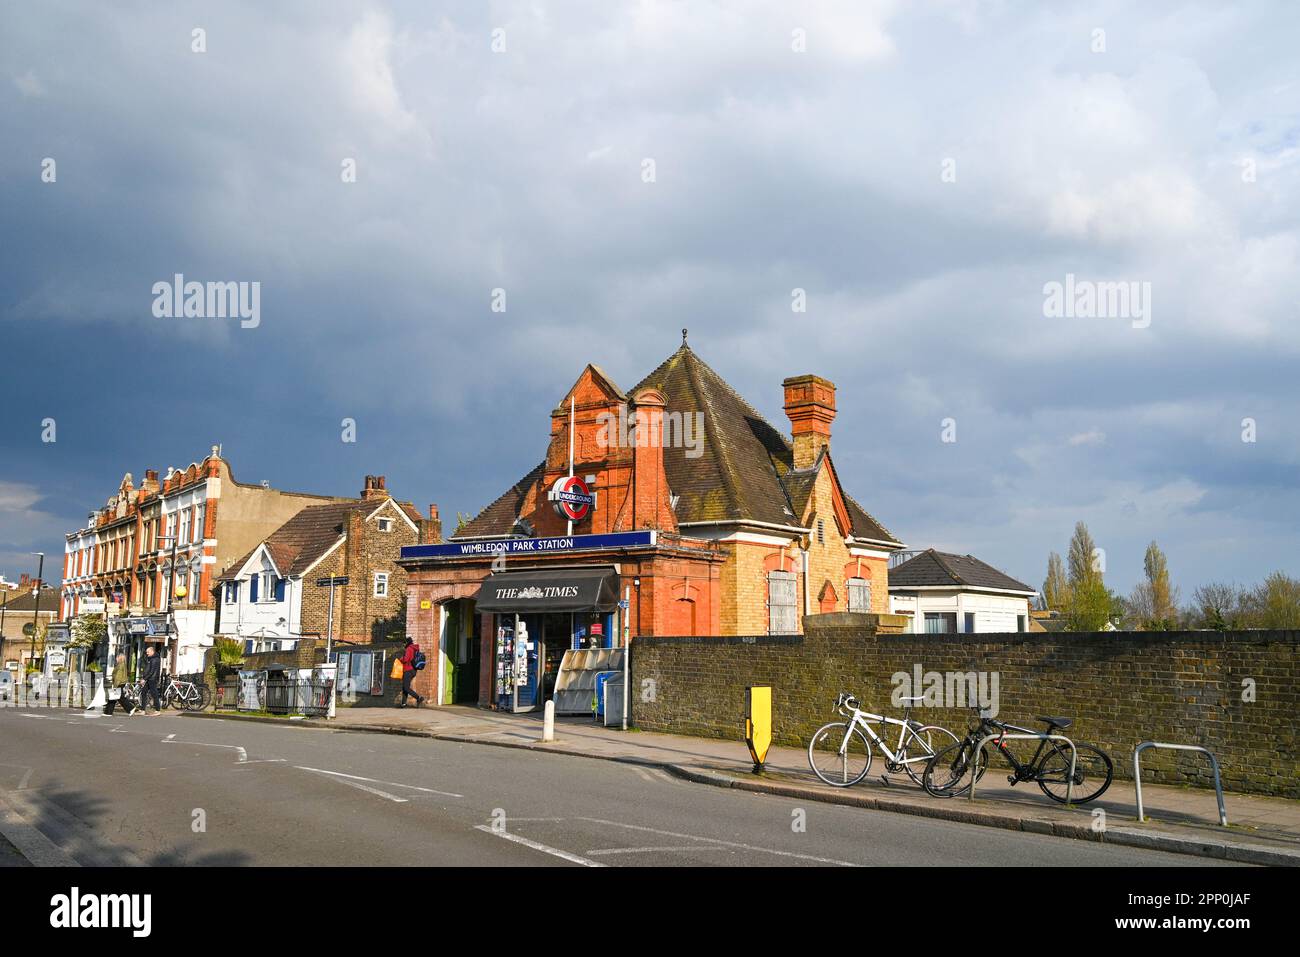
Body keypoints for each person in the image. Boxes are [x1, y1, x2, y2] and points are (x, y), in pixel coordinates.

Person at [104, 652, 136, 717]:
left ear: (119, 658)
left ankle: (130, 708)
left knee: (120, 698)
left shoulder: (120, 665)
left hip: (119, 683)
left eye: (117, 657)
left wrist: (115, 686)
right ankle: (108, 712)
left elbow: (118, 676)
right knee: (114, 697)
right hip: (121, 683)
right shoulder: (123, 665)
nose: (116, 658)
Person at [399, 637, 424, 708]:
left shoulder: (409, 649)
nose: (403, 644)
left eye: (404, 643)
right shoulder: (414, 648)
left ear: (407, 642)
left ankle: (418, 698)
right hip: (413, 670)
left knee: (406, 687)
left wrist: (401, 659)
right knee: (405, 687)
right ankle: (403, 704)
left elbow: (406, 659)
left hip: (408, 670)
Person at [140, 644, 162, 714]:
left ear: (152, 651)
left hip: (152, 679)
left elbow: (152, 671)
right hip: (150, 679)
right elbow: (148, 669)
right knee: (143, 693)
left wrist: (144, 679)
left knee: (154, 694)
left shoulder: (154, 659)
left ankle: (158, 710)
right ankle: (143, 709)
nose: (147, 653)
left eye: (148, 652)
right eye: (146, 652)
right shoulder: (152, 658)